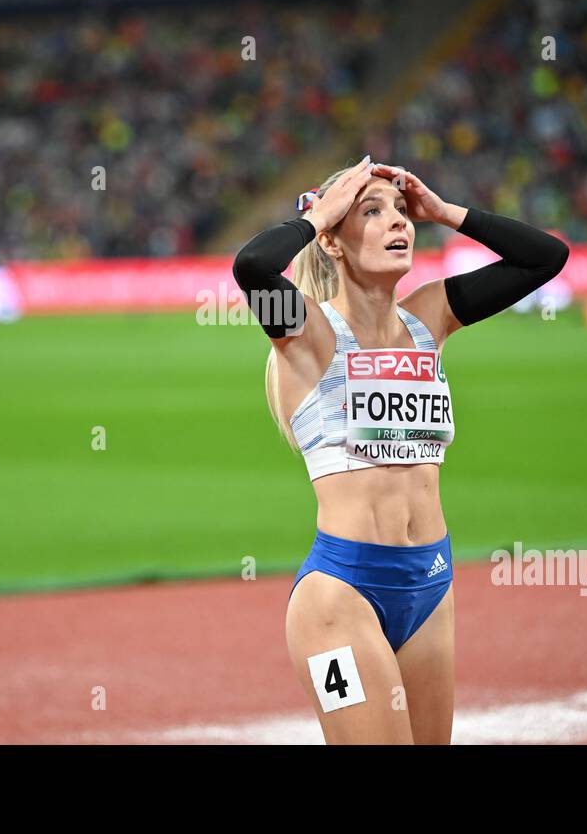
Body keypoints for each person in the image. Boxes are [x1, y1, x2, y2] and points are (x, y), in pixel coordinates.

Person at [232, 155, 569, 743]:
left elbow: (546, 258)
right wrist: (322, 214)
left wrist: (445, 211)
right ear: (335, 242)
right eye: (372, 212)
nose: (399, 223)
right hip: (343, 594)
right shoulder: (306, 333)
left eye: (401, 212)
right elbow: (253, 265)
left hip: (430, 582)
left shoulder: (429, 318)